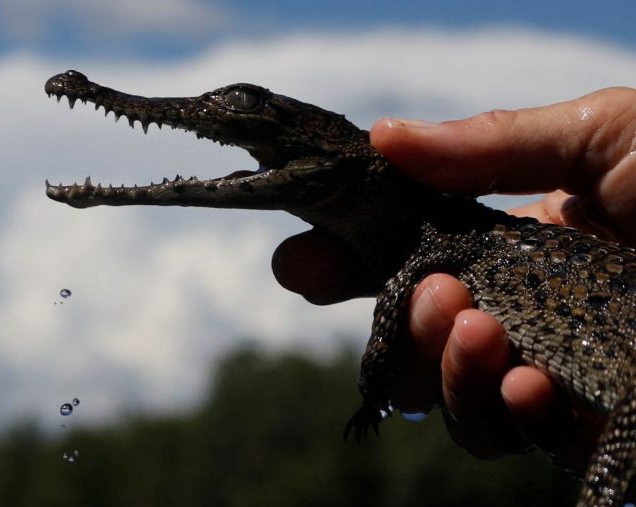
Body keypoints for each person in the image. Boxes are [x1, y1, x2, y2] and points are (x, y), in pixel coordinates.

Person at [271, 87, 636, 474]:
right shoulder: (439, 240)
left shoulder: (436, 240)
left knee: (606, 483)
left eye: (245, 100)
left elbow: (385, 343)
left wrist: (371, 390)